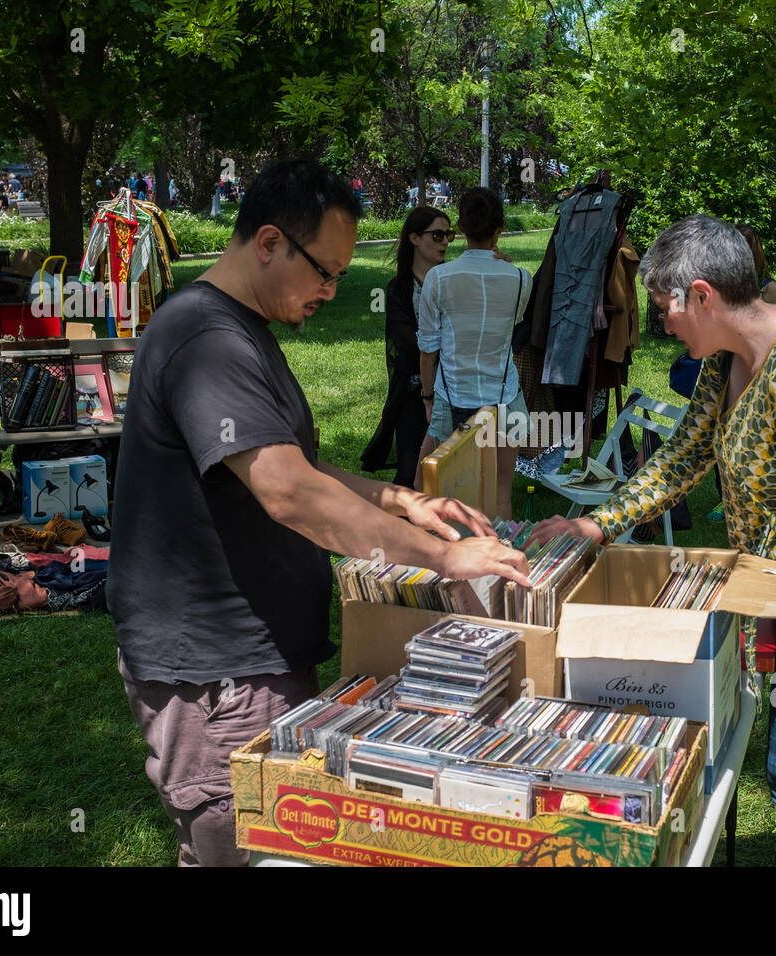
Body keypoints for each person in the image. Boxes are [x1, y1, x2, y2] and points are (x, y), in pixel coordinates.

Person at [107, 159, 530, 867]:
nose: (333, 291)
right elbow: (287, 492)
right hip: (216, 671)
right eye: (326, 272)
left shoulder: (238, 327)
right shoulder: (206, 338)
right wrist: (447, 556)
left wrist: (400, 498)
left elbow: (295, 463)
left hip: (246, 657)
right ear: (269, 242)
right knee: (245, 850)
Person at [529, 214, 776, 867]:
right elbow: (682, 458)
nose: (663, 323)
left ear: (702, 295)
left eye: (665, 308)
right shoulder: (727, 359)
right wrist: (597, 523)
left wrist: (749, 575)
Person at [415, 187, 531, 518]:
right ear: (500, 229)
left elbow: (427, 350)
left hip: (451, 395)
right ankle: (501, 565)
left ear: (461, 228)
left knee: (435, 495)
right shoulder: (522, 279)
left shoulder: (438, 278)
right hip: (505, 399)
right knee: (500, 497)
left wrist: (427, 397)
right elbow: (515, 320)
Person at [362, 206, 452, 487]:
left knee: (454, 471)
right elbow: (407, 345)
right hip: (414, 390)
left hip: (455, 388)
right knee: (411, 471)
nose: (445, 242)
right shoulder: (399, 288)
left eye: (449, 235)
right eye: (437, 235)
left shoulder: (453, 282)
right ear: (414, 238)